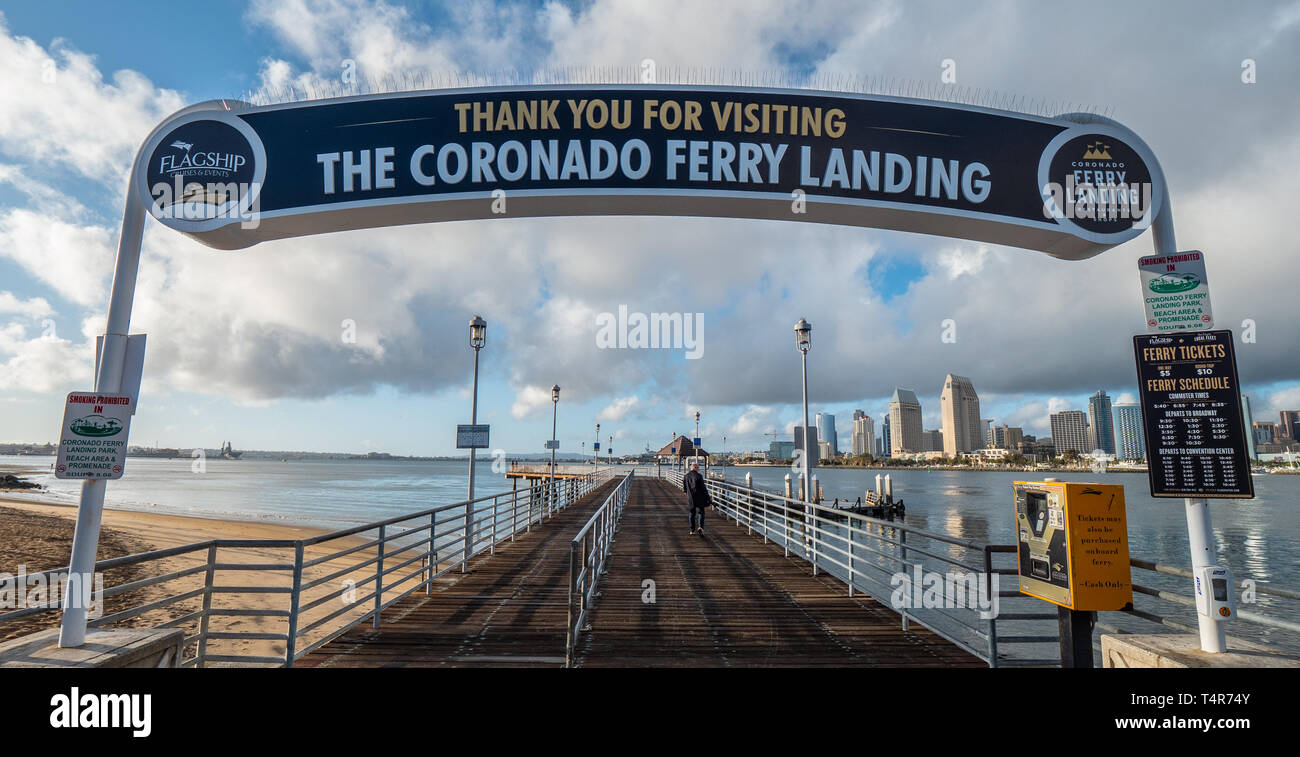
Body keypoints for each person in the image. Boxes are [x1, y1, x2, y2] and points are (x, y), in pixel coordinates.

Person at [683, 463, 712, 535]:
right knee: (701, 512)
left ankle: (692, 530)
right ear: (695, 468)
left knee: (692, 513)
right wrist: (708, 497)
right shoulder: (699, 476)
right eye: (698, 468)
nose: (698, 469)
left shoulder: (686, 476)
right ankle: (700, 527)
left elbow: (685, 488)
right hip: (700, 498)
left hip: (690, 498)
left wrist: (687, 493)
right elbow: (703, 488)